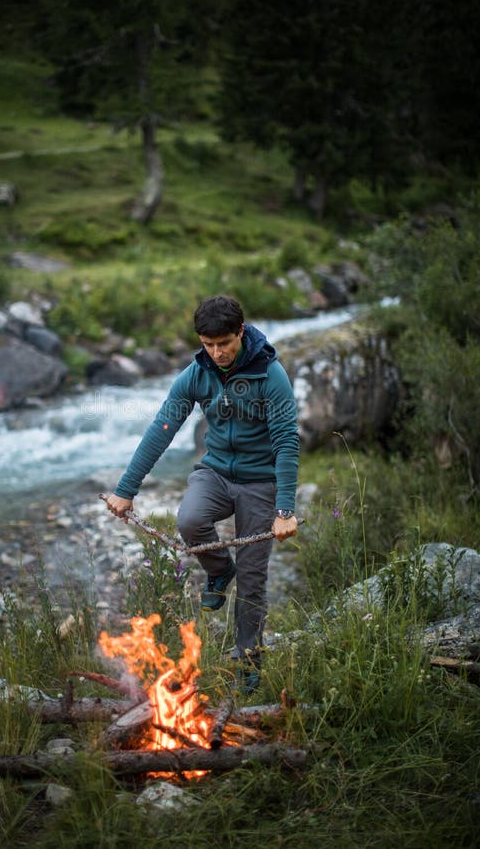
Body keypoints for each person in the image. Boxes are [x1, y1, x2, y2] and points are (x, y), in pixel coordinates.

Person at [105, 295, 299, 693]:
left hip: (260, 481)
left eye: (224, 343)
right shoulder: (197, 372)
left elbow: (286, 441)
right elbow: (162, 428)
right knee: (189, 520)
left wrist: (285, 508)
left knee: (252, 576)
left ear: (240, 333)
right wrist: (126, 489)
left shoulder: (270, 374)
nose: (217, 353)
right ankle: (217, 570)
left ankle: (248, 656)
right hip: (215, 472)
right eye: (208, 345)